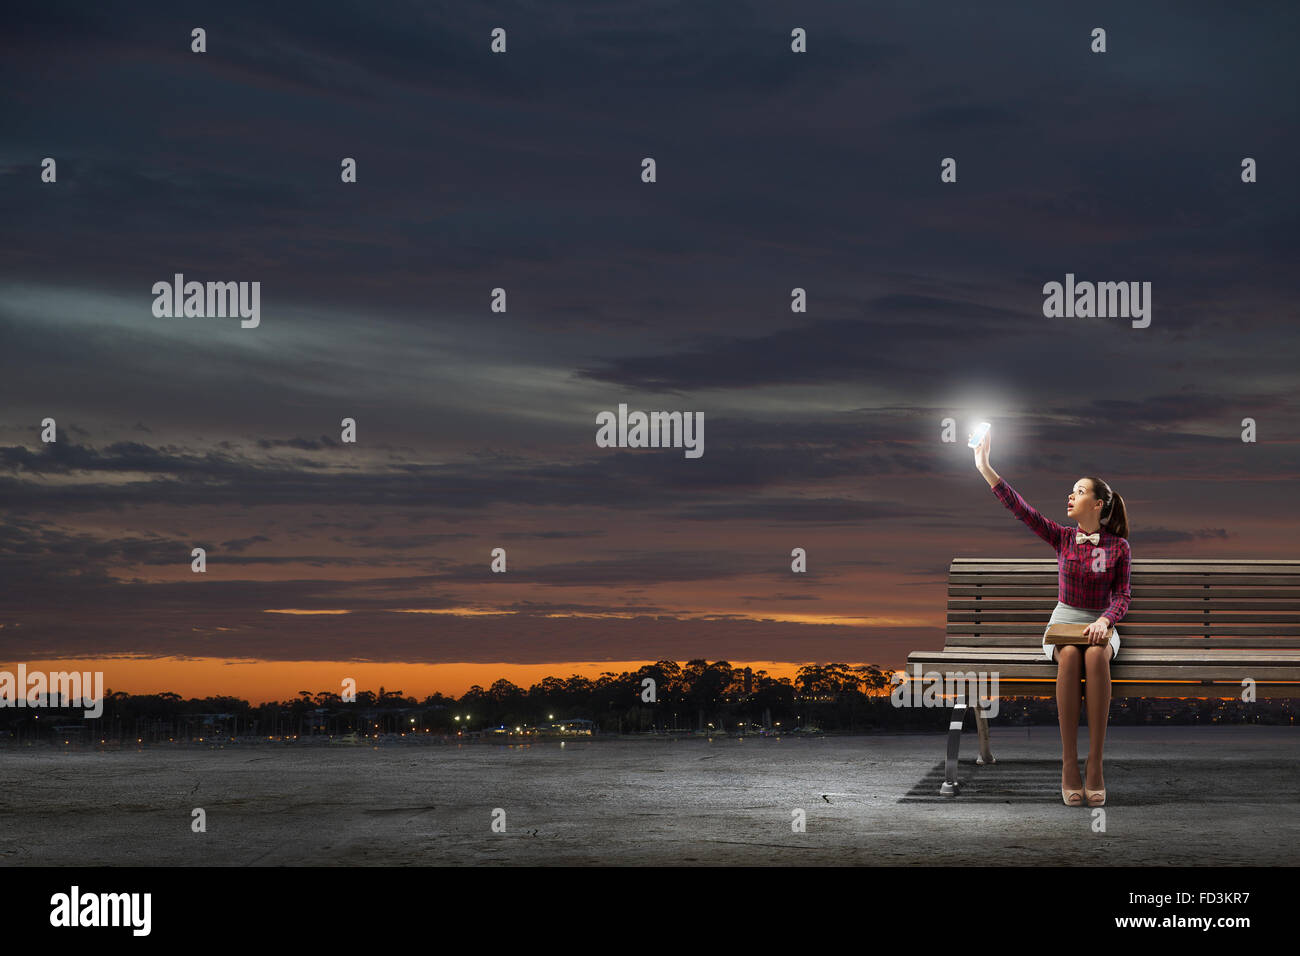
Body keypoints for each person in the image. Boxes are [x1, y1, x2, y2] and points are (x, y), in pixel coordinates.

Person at [972, 427, 1130, 807]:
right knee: (1072, 654)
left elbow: (1122, 596)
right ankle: (1068, 765)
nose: (1070, 496)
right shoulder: (1061, 537)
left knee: (1093, 654)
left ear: (1098, 505)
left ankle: (1095, 764)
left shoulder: (1118, 547)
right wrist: (985, 466)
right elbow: (1021, 509)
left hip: (1100, 624)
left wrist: (1106, 621)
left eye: (1079, 491)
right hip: (1064, 623)